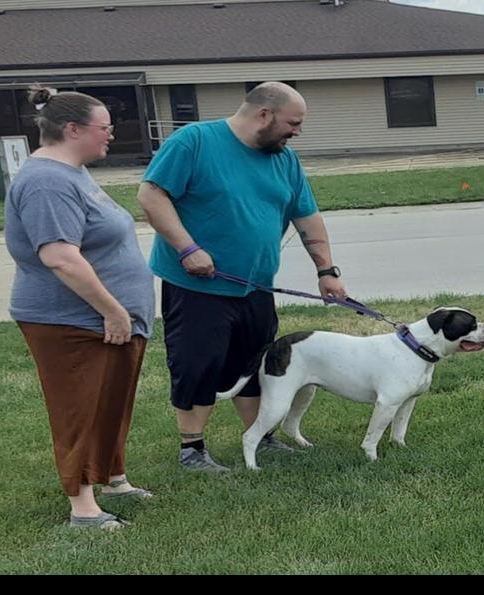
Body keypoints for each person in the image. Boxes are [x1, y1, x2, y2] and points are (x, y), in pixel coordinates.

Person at [137, 81, 348, 471]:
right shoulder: (195, 141)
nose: (297, 131)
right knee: (197, 364)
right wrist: (188, 249)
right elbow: (151, 195)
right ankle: (192, 448)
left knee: (255, 364)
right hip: (196, 285)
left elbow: (307, 215)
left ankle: (261, 436)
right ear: (264, 115)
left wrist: (326, 270)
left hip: (255, 285)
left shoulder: (284, 159)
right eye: (293, 122)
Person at [5, 87, 156, 530]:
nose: (111, 136)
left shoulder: (72, 173)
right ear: (72, 129)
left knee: (110, 401)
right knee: (79, 408)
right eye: (104, 128)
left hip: (105, 317)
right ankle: (83, 507)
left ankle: (113, 478)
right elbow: (59, 256)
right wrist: (112, 310)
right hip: (70, 320)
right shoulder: (46, 181)